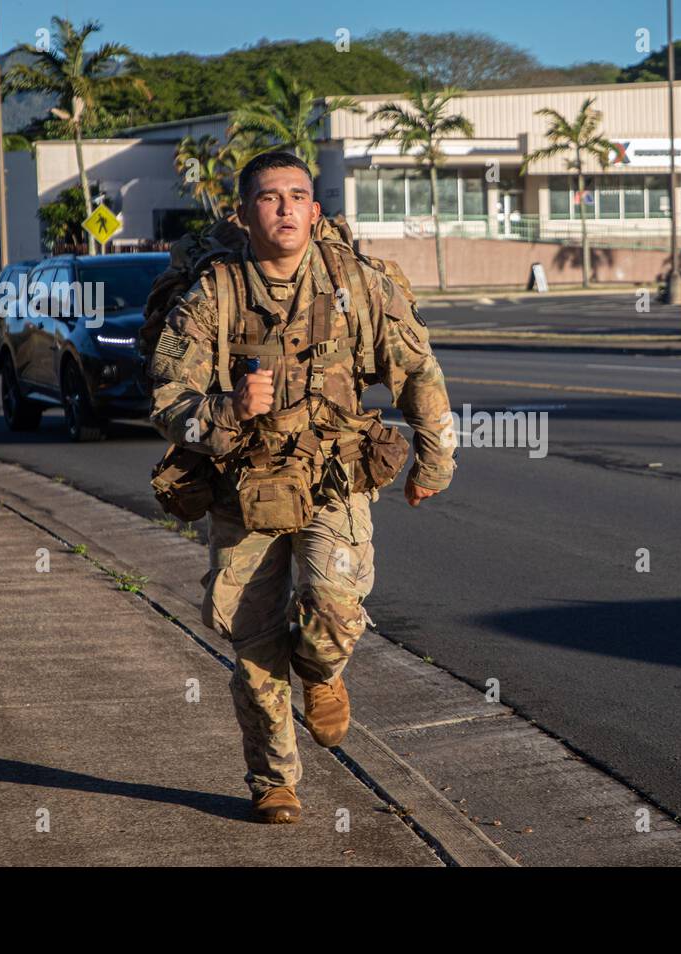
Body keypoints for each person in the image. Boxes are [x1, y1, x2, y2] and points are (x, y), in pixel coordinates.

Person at [147, 150, 456, 823]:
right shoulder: (215, 293)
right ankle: (274, 783)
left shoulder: (357, 283)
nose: (284, 207)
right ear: (242, 213)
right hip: (245, 484)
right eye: (268, 197)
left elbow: (416, 370)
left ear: (315, 213)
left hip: (335, 477)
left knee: (336, 607)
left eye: (297, 196)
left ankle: (321, 673)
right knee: (254, 644)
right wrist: (228, 409)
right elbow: (167, 396)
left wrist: (435, 458)